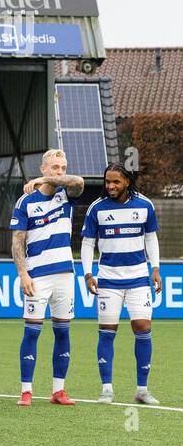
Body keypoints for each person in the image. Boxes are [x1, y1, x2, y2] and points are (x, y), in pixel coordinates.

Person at [81, 163, 161, 405]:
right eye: (108, 182)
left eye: (116, 182)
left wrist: (155, 268)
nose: (110, 186)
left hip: (138, 279)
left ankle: (142, 390)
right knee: (107, 333)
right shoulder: (97, 208)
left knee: (143, 328)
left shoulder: (145, 205)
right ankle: (107, 389)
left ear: (127, 181)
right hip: (108, 281)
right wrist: (87, 273)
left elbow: (151, 238)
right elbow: (87, 243)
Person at [10, 149, 84, 407]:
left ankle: (58, 390)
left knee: (63, 332)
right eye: (54, 167)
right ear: (43, 168)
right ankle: (26, 391)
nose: (60, 171)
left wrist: (48, 181)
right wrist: (23, 273)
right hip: (37, 276)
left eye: (62, 167)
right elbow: (17, 241)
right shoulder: (25, 202)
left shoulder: (67, 194)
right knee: (32, 332)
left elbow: (79, 182)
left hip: (64, 274)